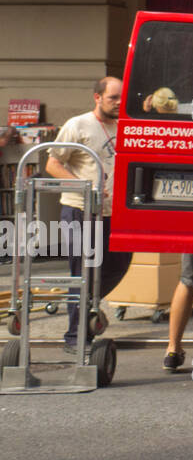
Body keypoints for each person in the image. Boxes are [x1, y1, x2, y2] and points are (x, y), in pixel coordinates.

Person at [45, 77, 133, 353]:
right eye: (113, 98)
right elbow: (53, 163)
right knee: (82, 272)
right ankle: (75, 337)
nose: (119, 103)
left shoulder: (125, 126)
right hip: (80, 210)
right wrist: (83, 188)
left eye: (122, 98)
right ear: (97, 97)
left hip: (113, 213)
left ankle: (90, 309)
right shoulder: (78, 125)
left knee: (118, 265)